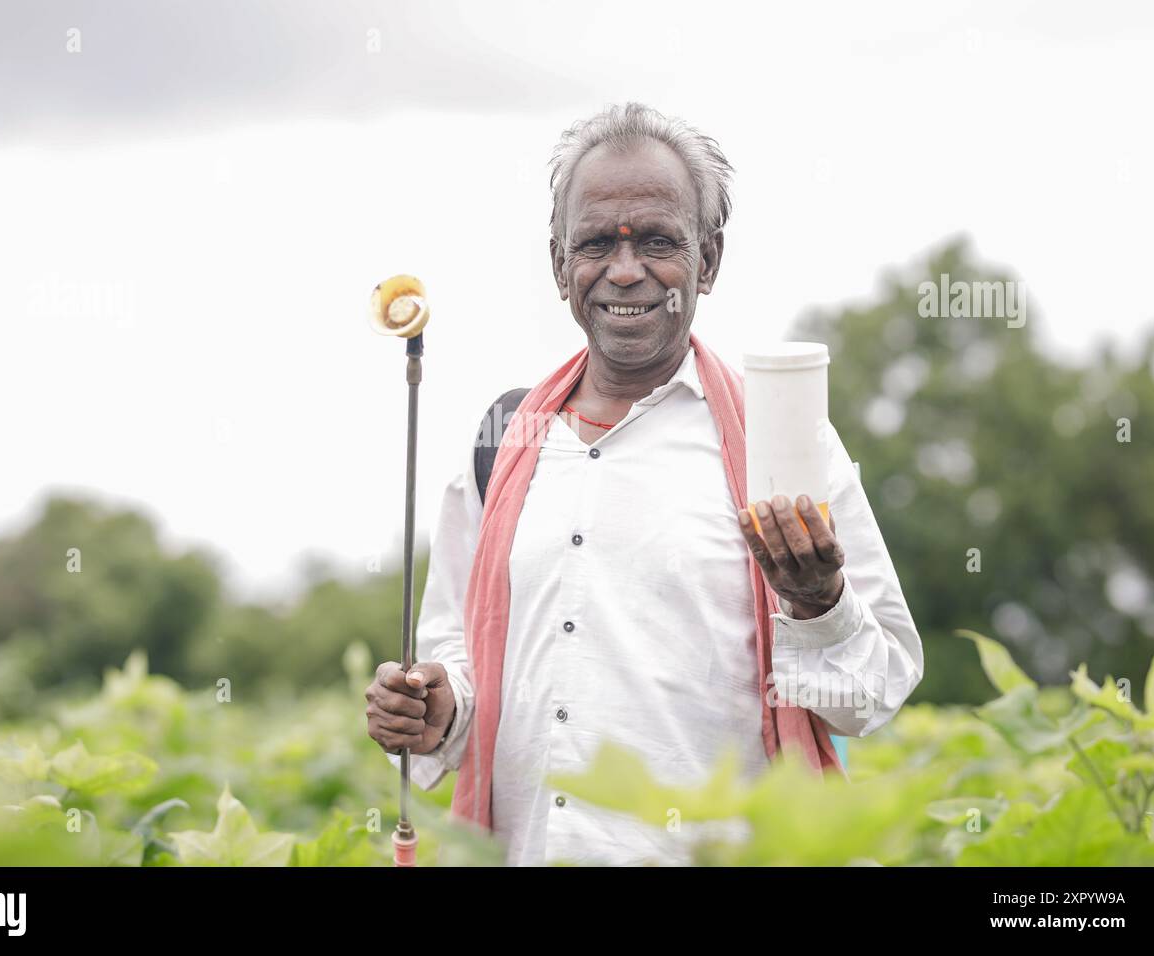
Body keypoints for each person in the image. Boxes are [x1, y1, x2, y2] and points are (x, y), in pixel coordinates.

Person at [364, 102, 924, 866]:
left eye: (658, 241)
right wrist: (437, 707)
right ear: (561, 264)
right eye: (596, 243)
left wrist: (818, 603)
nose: (625, 270)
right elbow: (457, 666)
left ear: (709, 260)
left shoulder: (782, 446)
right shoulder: (503, 441)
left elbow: (872, 696)